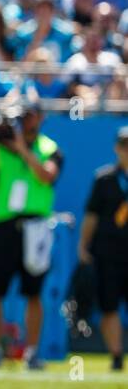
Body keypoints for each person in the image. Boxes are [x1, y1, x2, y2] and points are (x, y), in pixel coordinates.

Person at [0, 102, 62, 370]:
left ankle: (32, 351)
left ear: (40, 118)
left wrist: (23, 149)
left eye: (29, 117)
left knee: (34, 292)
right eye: (21, 118)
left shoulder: (50, 148)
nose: (24, 123)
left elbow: (46, 177)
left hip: (35, 226)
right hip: (3, 224)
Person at [77, 126, 128, 372]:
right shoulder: (105, 179)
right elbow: (91, 216)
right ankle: (117, 355)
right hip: (108, 253)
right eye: (125, 146)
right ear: (117, 149)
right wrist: (83, 245)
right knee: (109, 306)